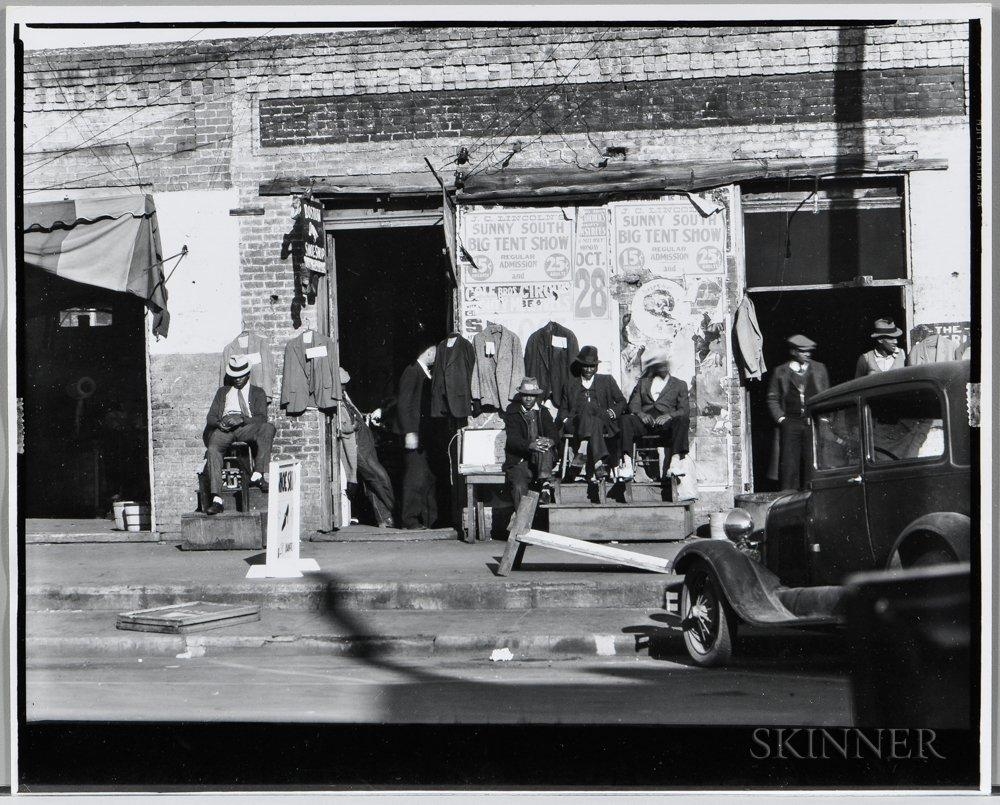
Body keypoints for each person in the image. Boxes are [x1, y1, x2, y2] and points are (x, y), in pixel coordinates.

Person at [202, 356, 276, 515]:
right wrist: (218, 423)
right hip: (225, 428)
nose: (237, 380)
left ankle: (257, 475)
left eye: (241, 376)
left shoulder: (258, 392)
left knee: (268, 428)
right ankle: (217, 499)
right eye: (234, 376)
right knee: (213, 449)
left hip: (245, 427)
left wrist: (242, 419)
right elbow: (211, 417)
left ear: (248, 374)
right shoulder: (223, 392)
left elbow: (261, 418)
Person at [766, 334, 830, 490]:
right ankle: (789, 498)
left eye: (809, 351)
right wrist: (781, 419)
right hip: (790, 423)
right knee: (789, 464)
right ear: (794, 352)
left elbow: (827, 395)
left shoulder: (819, 369)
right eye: (803, 351)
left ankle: (812, 495)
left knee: (813, 461)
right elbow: (772, 398)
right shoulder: (780, 371)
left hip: (813, 422)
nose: (807, 354)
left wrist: (824, 419)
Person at [619, 351, 691, 480]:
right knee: (626, 419)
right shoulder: (643, 383)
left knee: (682, 419)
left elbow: (684, 409)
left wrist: (669, 416)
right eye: (658, 366)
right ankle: (627, 463)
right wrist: (641, 414)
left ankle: (675, 463)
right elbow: (633, 404)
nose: (662, 368)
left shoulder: (679, 384)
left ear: (668, 366)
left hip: (666, 425)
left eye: (664, 365)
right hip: (646, 422)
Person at [339, 367, 396, 529]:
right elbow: (341, 427)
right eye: (343, 383)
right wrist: (354, 425)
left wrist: (365, 416)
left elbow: (353, 415)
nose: (345, 386)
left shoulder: (344, 397)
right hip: (358, 447)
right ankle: (396, 511)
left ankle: (384, 518)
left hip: (365, 444)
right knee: (379, 478)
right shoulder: (337, 400)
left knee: (372, 483)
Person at [559, 346, 626, 481]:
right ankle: (598, 463)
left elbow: (621, 401)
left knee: (592, 412)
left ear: (596, 367)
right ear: (581, 366)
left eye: (592, 366)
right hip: (577, 423)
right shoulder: (570, 384)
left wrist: (612, 412)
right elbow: (563, 410)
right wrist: (566, 420)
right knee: (588, 411)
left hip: (604, 420)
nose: (589, 370)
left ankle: (582, 450)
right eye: (585, 366)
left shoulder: (607, 380)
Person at [396, 342, 439, 529]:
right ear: (428, 352)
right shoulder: (412, 372)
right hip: (414, 435)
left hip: (424, 436)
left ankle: (429, 519)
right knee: (414, 477)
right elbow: (403, 405)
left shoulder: (424, 373)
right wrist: (409, 432)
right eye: (435, 353)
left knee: (426, 476)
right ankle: (410, 519)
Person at [502, 377, 558, 508]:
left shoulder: (543, 412)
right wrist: (530, 445)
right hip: (520, 461)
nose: (528, 399)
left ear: (536, 397)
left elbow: (553, 433)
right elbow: (512, 440)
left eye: (532, 396)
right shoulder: (513, 413)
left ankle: (544, 484)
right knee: (519, 487)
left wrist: (549, 441)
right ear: (521, 395)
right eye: (525, 395)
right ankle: (523, 524)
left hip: (542, 461)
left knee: (543, 444)